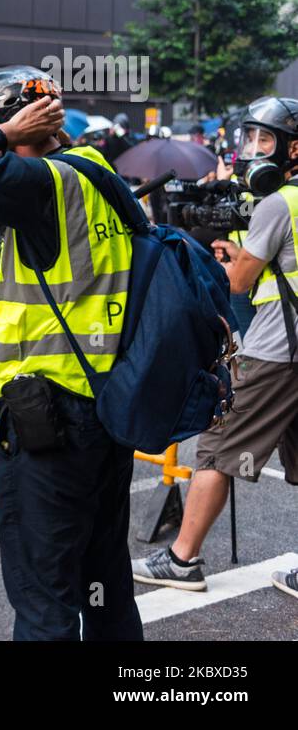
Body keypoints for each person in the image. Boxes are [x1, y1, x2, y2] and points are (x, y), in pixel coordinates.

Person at [0, 65, 143, 641]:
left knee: (45, 595)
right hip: (108, 406)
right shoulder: (93, 169)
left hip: (48, 417)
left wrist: (2, 133)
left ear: (15, 121)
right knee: (105, 583)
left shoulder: (36, 181)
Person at [131, 97, 298, 598]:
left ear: (294, 150)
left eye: (264, 140)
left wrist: (222, 256)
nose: (252, 149)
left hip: (275, 350)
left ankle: (182, 561)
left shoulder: (278, 203)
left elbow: (238, 282)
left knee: (218, 450)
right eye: (249, 137)